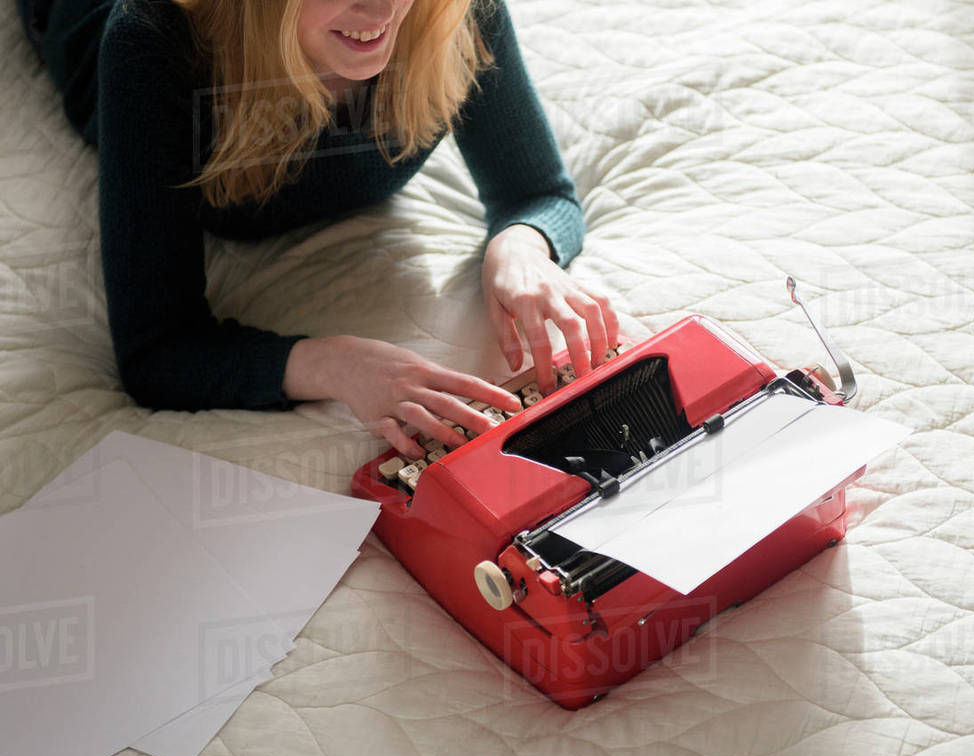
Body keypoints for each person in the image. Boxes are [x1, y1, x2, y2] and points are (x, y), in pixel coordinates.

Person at [15, 0, 617, 461]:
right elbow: (156, 349)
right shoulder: (152, 40)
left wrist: (520, 249)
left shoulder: (449, 9)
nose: (382, 11)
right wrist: (336, 365)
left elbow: (538, 192)